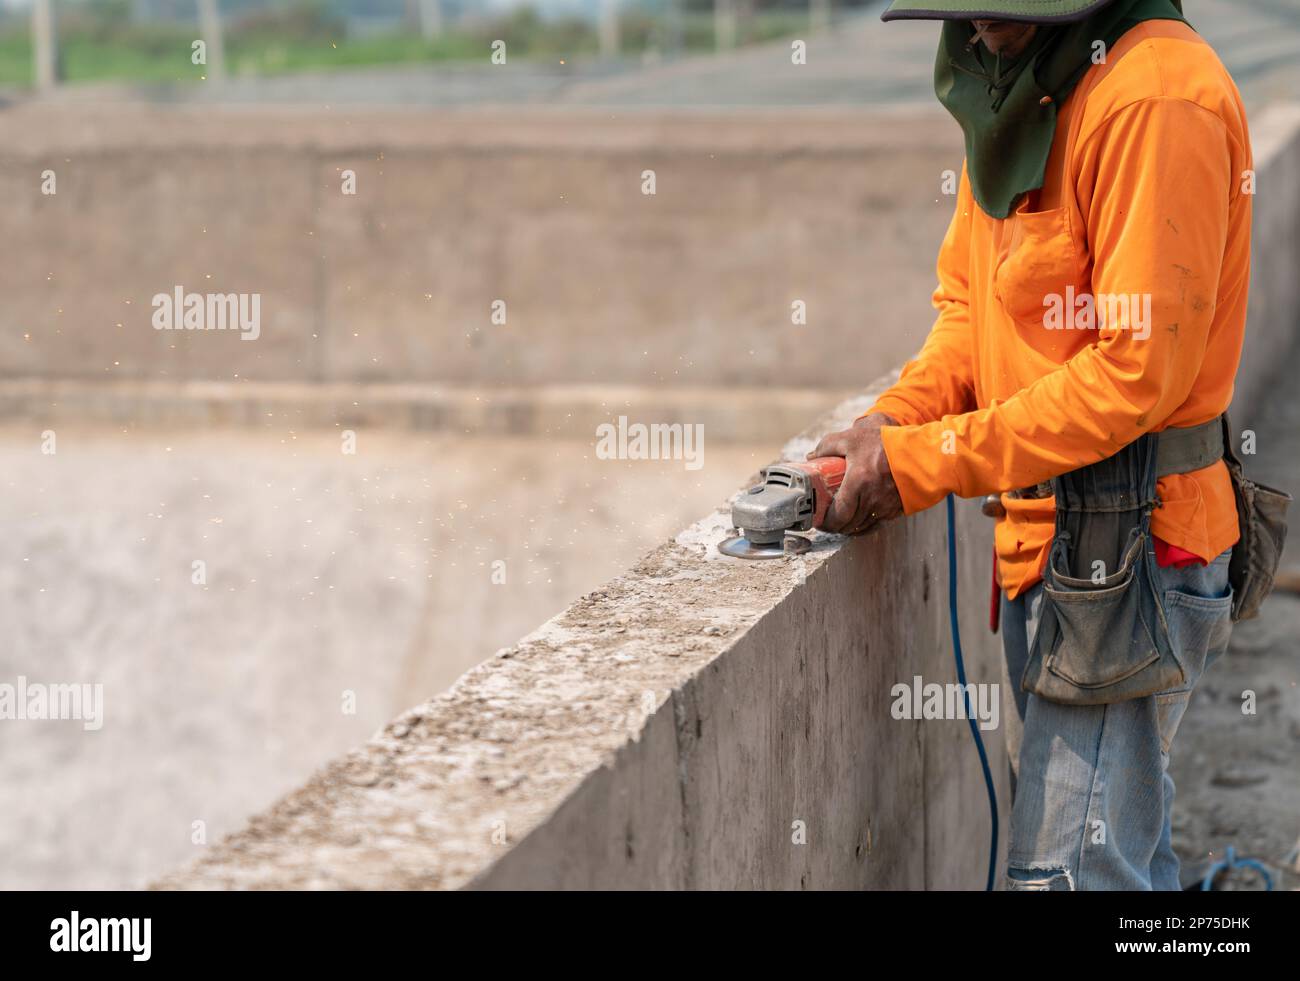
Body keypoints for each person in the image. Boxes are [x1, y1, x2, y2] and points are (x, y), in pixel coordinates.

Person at [809, 0, 1253, 890]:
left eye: (999, 11)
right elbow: (973, 313)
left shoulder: (1153, 98)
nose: (979, 32)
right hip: (1048, 546)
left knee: (1074, 872)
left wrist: (924, 465)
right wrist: (896, 421)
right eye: (966, 14)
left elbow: (1136, 376)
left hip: (1133, 555)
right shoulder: (1024, 101)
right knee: (1112, 861)